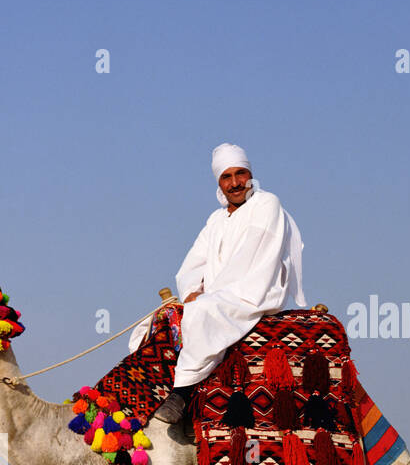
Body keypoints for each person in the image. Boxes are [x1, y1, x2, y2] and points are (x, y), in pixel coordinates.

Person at [130, 143, 305, 423]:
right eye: (227, 177)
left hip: (254, 292)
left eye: (241, 174)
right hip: (217, 295)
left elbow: (250, 260)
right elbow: (191, 265)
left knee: (204, 313)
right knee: (158, 320)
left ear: (251, 175)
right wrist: (190, 291)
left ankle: (182, 394)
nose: (235, 183)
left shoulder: (266, 203)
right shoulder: (215, 220)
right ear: (219, 182)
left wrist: (206, 297)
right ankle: (145, 391)